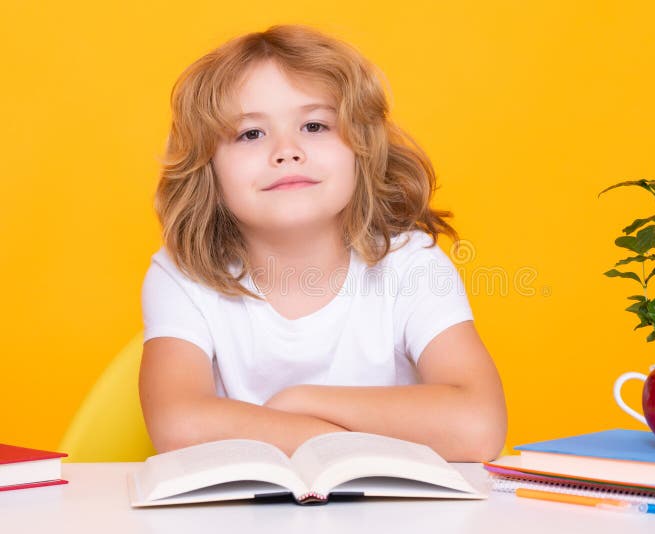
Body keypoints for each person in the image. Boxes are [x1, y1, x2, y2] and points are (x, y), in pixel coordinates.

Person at [139, 24, 507, 462]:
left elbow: (479, 427)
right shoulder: (181, 274)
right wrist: (346, 438)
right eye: (251, 134)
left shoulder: (411, 264)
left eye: (314, 125)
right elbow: (179, 425)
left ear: (362, 150)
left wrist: (301, 400)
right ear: (209, 171)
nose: (287, 150)